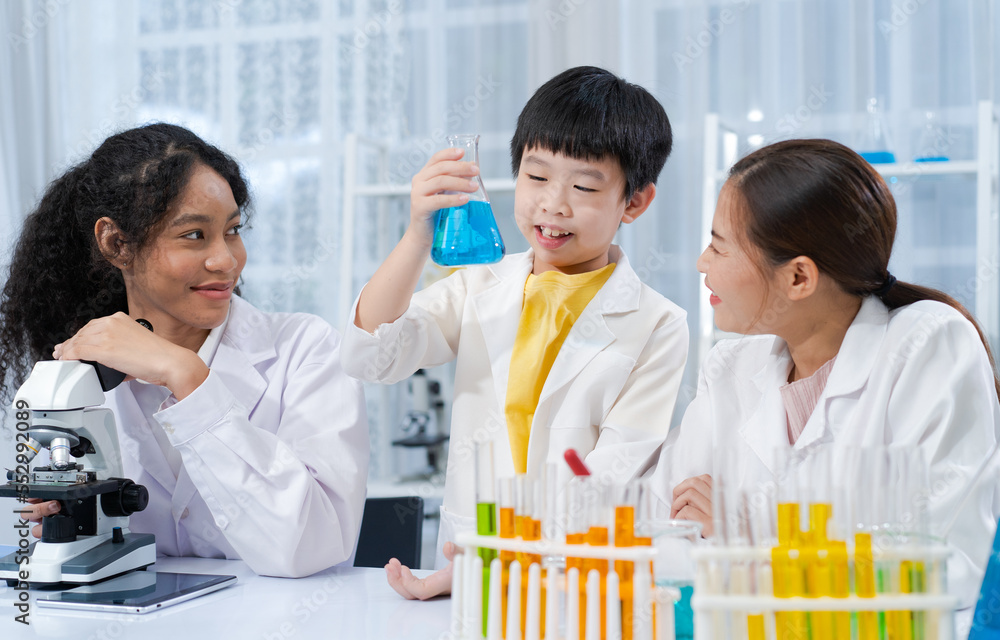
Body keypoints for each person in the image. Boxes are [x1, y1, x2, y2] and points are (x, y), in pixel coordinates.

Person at [340, 65, 689, 599]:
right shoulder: (480, 284)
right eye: (537, 176)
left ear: (635, 202)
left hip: (576, 579)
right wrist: (417, 233)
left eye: (585, 186)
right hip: (466, 576)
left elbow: (610, 476)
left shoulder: (659, 324)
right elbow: (372, 357)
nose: (553, 203)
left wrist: (504, 560)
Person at [0, 123, 369, 578]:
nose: (226, 260)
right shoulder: (77, 375)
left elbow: (309, 546)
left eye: (232, 230)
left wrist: (185, 375)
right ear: (117, 244)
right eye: (194, 235)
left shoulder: (305, 350)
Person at [649, 138, 1000, 605]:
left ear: (798, 278)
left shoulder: (928, 345)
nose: (701, 263)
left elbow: (944, 564)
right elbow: (665, 529)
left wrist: (750, 539)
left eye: (720, 247)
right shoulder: (733, 366)